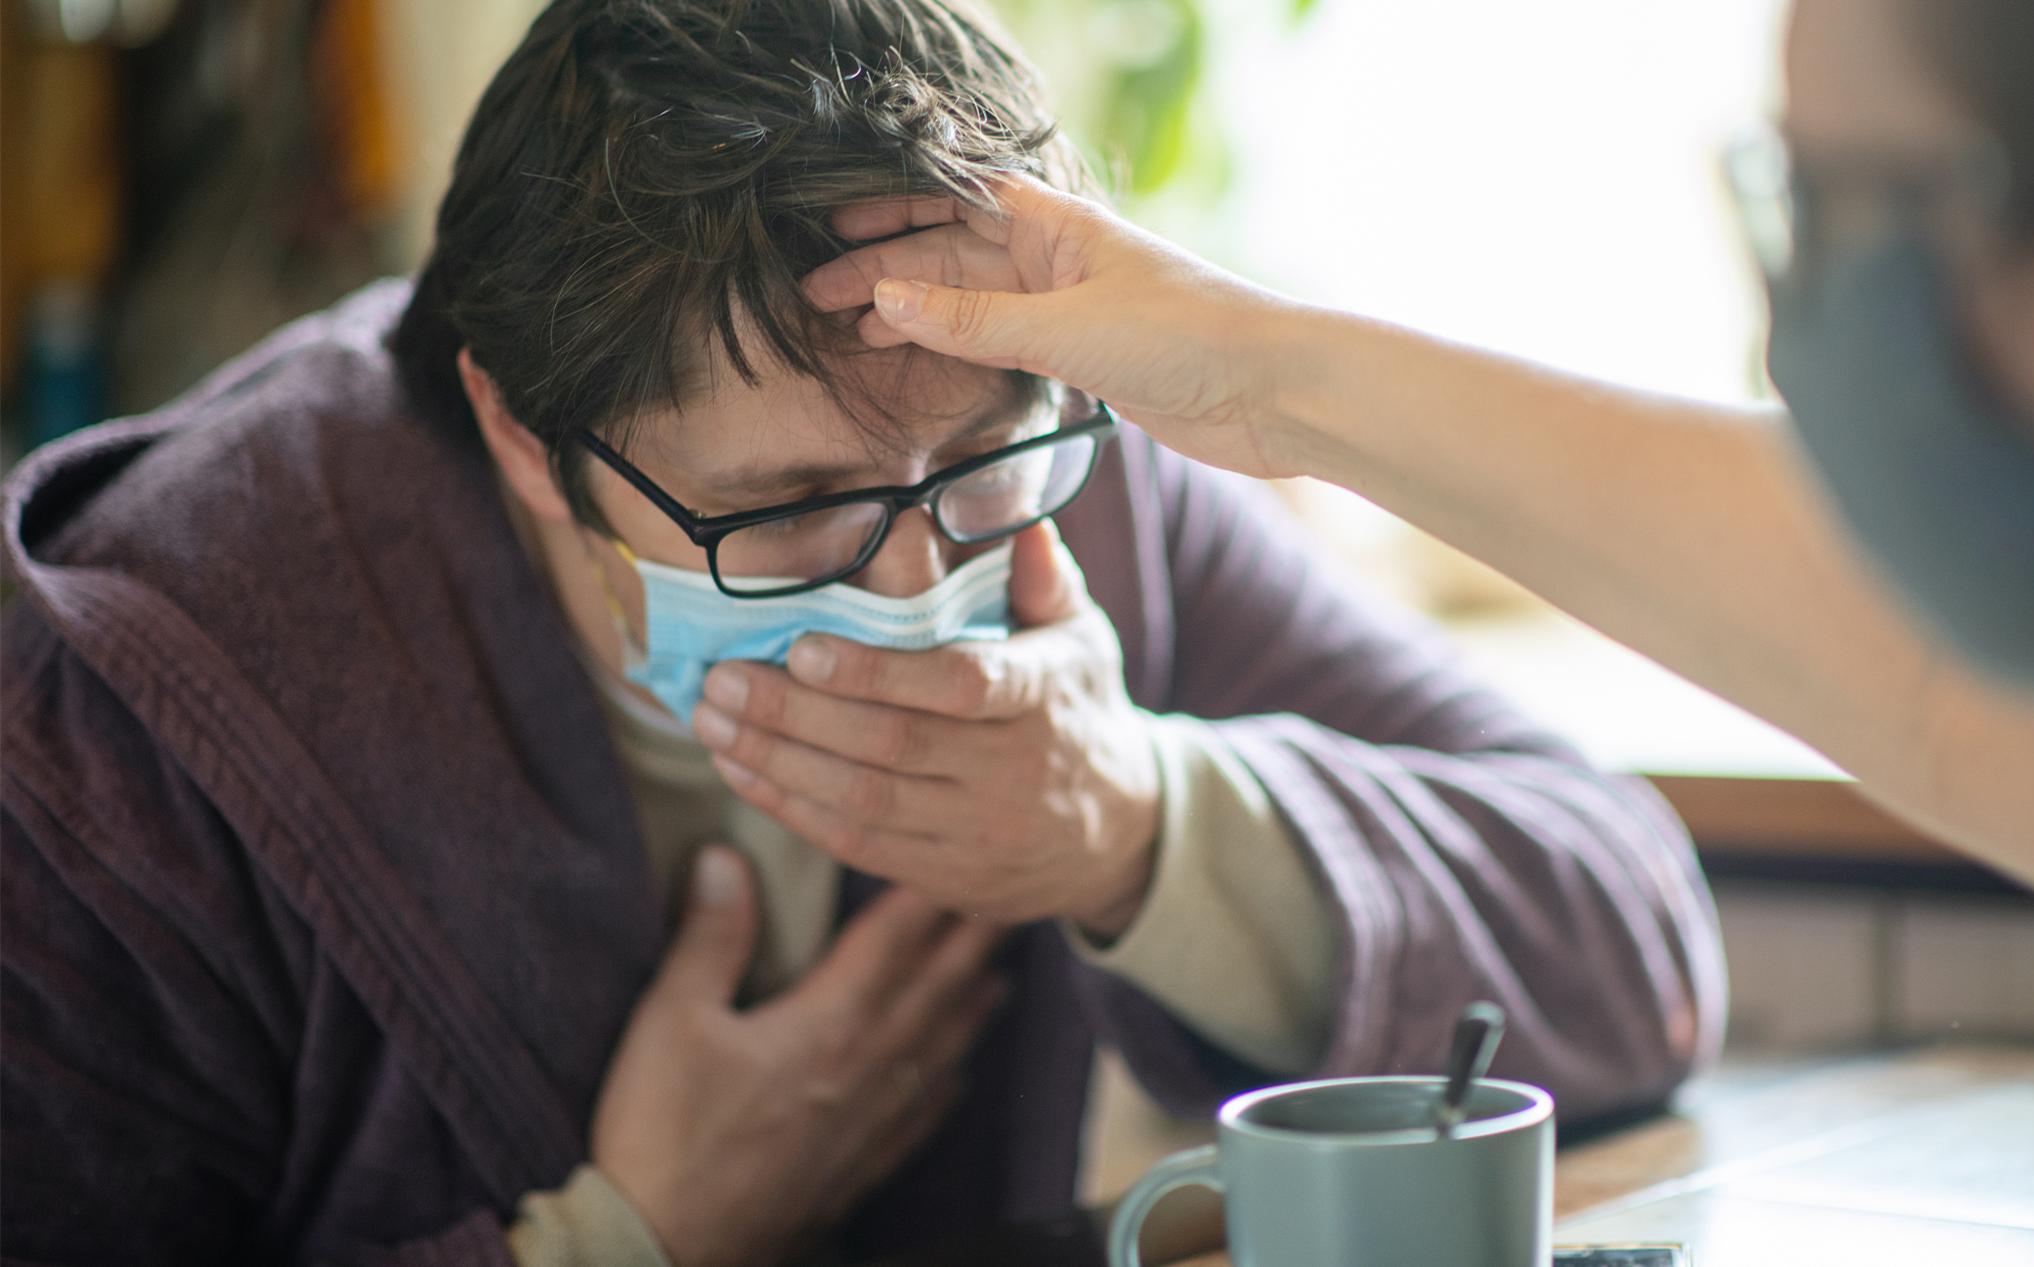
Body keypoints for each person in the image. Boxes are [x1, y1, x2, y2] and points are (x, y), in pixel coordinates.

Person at [0, 1, 1724, 1263]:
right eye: (795, 508)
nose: (922, 595)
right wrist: (619, 1239)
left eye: (974, 461)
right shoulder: (130, 694)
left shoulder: (1059, 464)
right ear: (525, 436)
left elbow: (1633, 941)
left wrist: (1141, 823)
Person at [805, 0, 2034, 890]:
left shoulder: (1114, 517)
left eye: (1836, 203)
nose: (1796, 332)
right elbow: (1933, 694)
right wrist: (1259, 379)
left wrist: (1150, 834)